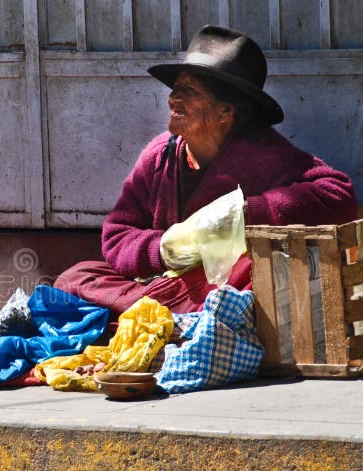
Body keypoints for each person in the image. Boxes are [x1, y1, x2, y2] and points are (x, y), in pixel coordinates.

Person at [54, 25, 357, 318]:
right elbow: (116, 236)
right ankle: (164, 312)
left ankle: (157, 313)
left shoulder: (260, 152)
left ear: (226, 112)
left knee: (250, 275)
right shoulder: (159, 156)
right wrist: (167, 247)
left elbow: (339, 195)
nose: (173, 99)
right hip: (163, 283)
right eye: (175, 90)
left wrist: (243, 214)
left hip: (215, 287)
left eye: (189, 91)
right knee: (74, 278)